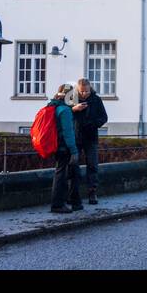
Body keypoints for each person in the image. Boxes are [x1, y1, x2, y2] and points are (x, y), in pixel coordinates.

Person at [72, 77, 108, 204]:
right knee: (73, 165)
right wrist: (74, 109)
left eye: (86, 91)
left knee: (92, 165)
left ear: (90, 89)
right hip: (76, 137)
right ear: (77, 90)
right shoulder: (72, 99)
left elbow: (104, 117)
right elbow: (64, 115)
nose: (84, 94)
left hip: (91, 137)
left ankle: (92, 192)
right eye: (81, 92)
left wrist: (94, 124)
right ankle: (73, 193)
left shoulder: (96, 99)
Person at [47, 84, 82, 213]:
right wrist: (74, 150)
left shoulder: (53, 106)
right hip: (63, 146)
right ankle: (57, 204)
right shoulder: (65, 110)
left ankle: (61, 203)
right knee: (61, 175)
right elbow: (68, 133)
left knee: (60, 173)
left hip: (56, 144)